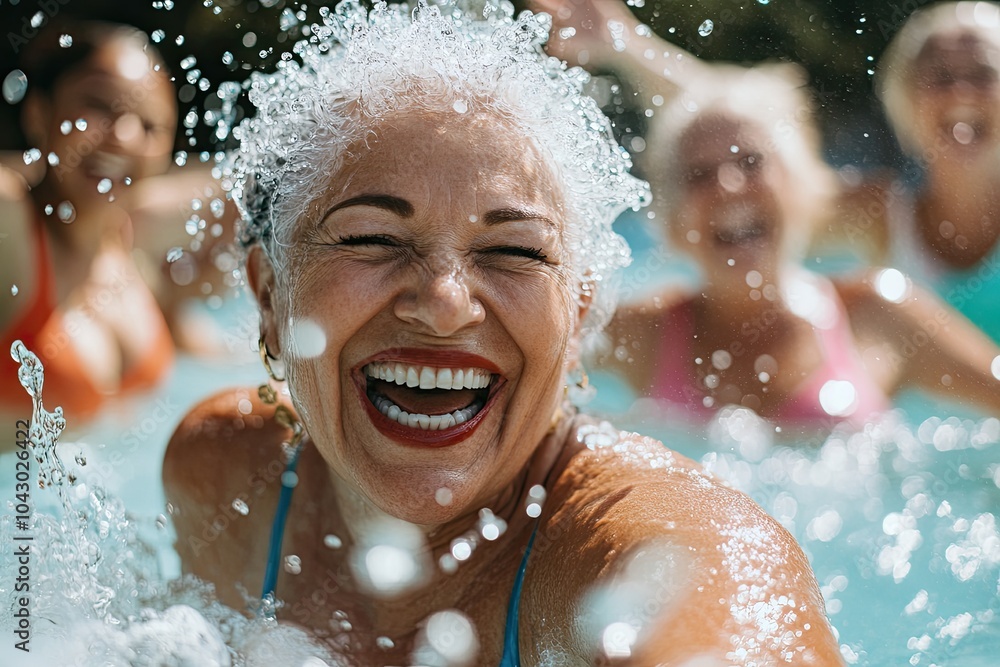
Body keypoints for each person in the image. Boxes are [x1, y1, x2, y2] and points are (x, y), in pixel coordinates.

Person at [163, 2, 844, 664]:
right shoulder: (227, 478)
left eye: (514, 251)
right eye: (372, 236)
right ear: (268, 293)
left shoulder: (640, 549)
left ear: (577, 316)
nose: (444, 303)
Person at [537, 0, 1000, 428]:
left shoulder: (881, 310)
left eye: (981, 74)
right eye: (938, 78)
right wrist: (627, 46)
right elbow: (738, 119)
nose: (728, 185)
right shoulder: (876, 214)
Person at [0, 18, 236, 423]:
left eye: (150, 126)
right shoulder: (11, 230)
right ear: (39, 112)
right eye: (99, 106)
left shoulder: (136, 256)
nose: (124, 137)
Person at [874, 1, 1000, 343]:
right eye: (941, 77)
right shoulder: (870, 219)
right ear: (906, 99)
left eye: (983, 74)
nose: (961, 92)